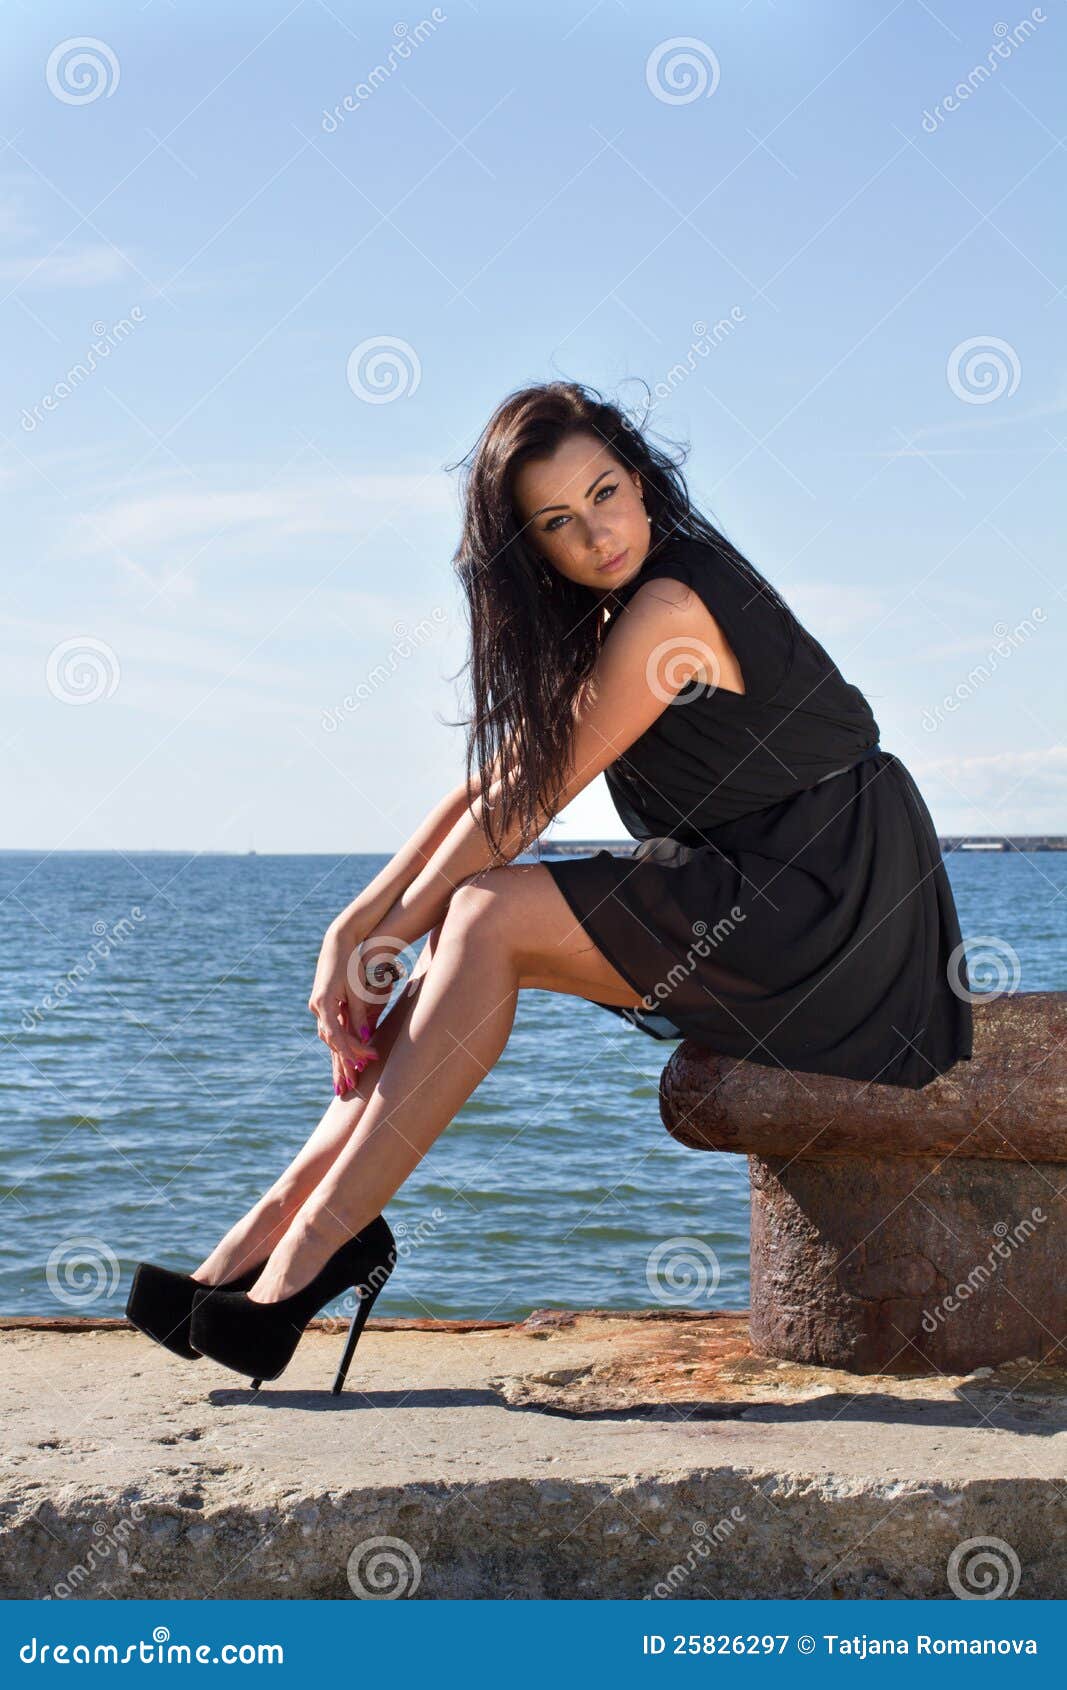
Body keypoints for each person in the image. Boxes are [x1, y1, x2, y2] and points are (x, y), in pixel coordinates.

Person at [128, 380, 972, 1386]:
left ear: (640, 475)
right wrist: (357, 924)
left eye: (605, 493)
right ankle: (269, 1238)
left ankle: (306, 1256)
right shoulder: (614, 614)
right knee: (468, 921)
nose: (596, 534)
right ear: (529, 548)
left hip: (834, 900)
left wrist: (384, 944)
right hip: (758, 881)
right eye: (558, 524)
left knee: (483, 914)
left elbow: (520, 811)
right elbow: (492, 784)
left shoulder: (669, 604)